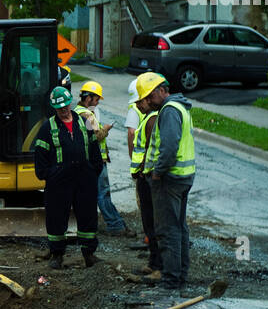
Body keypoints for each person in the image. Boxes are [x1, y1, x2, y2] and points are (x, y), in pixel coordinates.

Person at [135, 71, 195, 291]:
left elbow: (169, 147)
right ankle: (180, 276)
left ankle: (171, 280)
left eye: (150, 96)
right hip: (183, 177)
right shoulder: (179, 107)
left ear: (162, 90)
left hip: (169, 179)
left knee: (168, 230)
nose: (148, 102)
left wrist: (158, 172)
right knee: (179, 228)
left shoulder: (169, 111)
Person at [33, 85, 104, 268]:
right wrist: (49, 174)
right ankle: (57, 255)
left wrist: (93, 170)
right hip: (59, 182)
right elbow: (40, 155)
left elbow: (94, 147)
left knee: (88, 215)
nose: (64, 111)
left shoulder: (83, 122)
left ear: (70, 103)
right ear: (54, 108)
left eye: (66, 106)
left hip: (84, 179)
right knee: (56, 217)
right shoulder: (47, 128)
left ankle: (89, 254)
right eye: (60, 108)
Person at [76, 81, 126, 234]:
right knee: (103, 193)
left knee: (96, 193)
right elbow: (95, 137)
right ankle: (115, 225)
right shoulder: (86, 114)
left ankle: (113, 223)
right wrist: (105, 129)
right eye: (96, 99)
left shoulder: (79, 111)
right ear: (88, 98)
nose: (97, 103)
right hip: (97, 161)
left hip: (91, 160)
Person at [127, 78, 162, 278]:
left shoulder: (152, 119)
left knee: (153, 222)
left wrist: (145, 173)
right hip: (145, 177)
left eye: (140, 101)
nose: (137, 105)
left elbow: (151, 151)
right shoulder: (148, 117)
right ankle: (154, 262)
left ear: (148, 100)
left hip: (149, 178)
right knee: (149, 222)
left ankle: (158, 265)